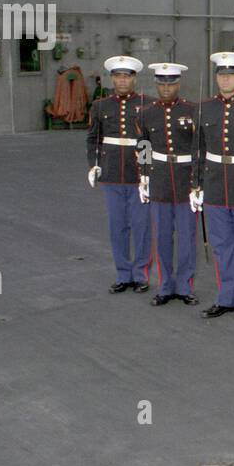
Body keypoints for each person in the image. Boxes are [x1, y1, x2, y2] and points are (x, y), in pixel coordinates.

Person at [194, 51, 234, 321]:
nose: (226, 79)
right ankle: (225, 296)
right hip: (214, 181)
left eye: (231, 74)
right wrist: (196, 185)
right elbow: (198, 149)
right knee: (220, 244)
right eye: (221, 74)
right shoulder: (205, 107)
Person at [85, 55, 151, 292]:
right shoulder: (101, 106)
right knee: (117, 226)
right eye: (118, 76)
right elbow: (94, 138)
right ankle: (123, 274)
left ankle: (141, 275)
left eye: (127, 76)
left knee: (141, 226)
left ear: (134, 79)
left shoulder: (147, 104)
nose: (122, 81)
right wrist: (94, 164)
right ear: (112, 79)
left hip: (137, 176)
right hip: (111, 172)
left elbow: (148, 141)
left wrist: (146, 171)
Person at [137, 62, 200, 307]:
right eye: (161, 83)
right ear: (156, 84)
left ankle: (185, 286)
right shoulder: (146, 112)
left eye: (171, 83)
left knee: (186, 236)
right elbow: (143, 146)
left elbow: (198, 149)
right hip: (160, 178)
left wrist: (198, 182)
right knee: (162, 236)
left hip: (185, 179)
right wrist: (143, 177)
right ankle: (165, 286)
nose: (166, 88)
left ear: (178, 84)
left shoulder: (193, 110)